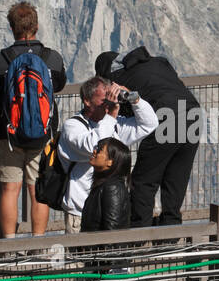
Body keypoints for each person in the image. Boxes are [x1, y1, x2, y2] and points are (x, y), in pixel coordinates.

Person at [0, 2, 68, 237]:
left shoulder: (2, 59)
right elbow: (61, 83)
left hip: (9, 134)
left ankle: (9, 246)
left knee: (9, 189)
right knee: (38, 190)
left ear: (12, 28)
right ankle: (37, 244)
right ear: (36, 26)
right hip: (43, 135)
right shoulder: (51, 58)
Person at [95, 46, 201, 226]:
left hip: (167, 117)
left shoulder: (116, 80)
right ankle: (170, 233)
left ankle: (139, 232)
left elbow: (128, 111)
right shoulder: (158, 61)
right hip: (193, 112)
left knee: (143, 181)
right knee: (176, 178)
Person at [58, 76, 157, 234]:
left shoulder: (114, 125)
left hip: (112, 206)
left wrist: (134, 99)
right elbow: (93, 147)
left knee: (109, 255)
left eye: (111, 99)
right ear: (87, 101)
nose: (109, 104)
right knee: (79, 258)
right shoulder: (72, 126)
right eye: (104, 100)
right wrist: (110, 116)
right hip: (81, 210)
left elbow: (150, 123)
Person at [72, 137, 139, 281]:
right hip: (102, 266)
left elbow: (110, 234)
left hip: (107, 268)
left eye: (99, 150)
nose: (94, 151)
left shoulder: (112, 188)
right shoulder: (106, 185)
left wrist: (100, 267)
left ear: (111, 162)